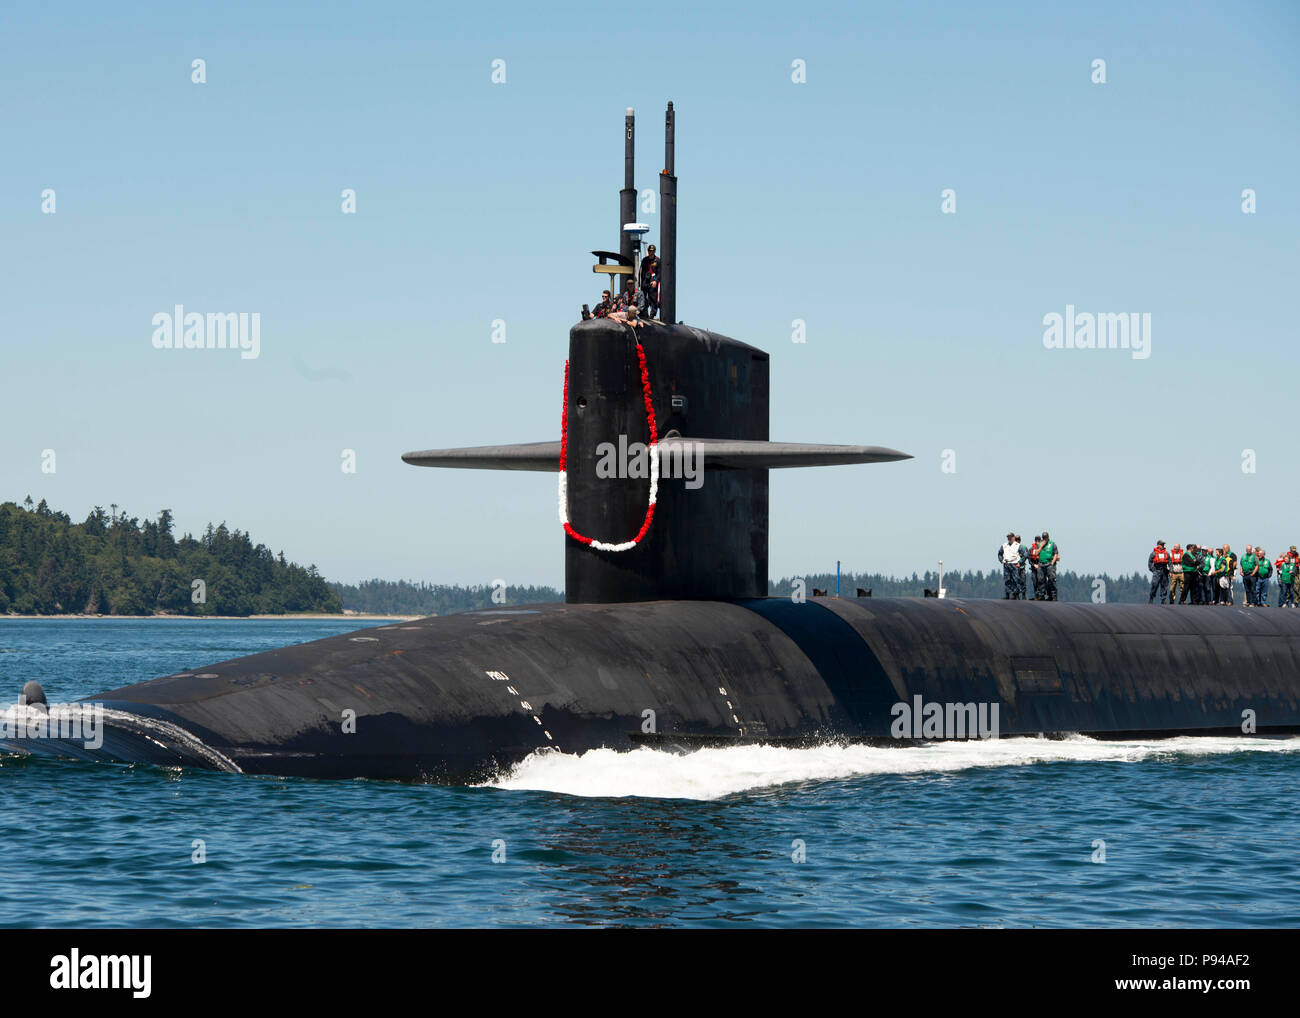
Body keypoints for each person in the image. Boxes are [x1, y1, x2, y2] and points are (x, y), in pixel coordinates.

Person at [1037, 531, 1060, 601]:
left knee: (1051, 580)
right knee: (1041, 580)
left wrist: (1052, 563)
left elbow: (1056, 554)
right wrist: (1041, 546)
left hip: (1049, 564)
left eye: (1046, 537)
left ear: (1048, 537)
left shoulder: (1052, 544)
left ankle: (1054, 595)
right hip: (1041, 564)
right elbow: (1036, 553)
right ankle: (1042, 595)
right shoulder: (1039, 544)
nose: (1044, 539)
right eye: (1043, 538)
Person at [998, 533, 1020, 599]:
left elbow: (1024, 554)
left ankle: (1015, 595)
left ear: (1013, 537)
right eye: (1008, 537)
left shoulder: (1018, 545)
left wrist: (1020, 562)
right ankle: (1007, 594)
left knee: (1015, 579)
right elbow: (999, 554)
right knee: (1007, 579)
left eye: (1010, 537)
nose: (1009, 539)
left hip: (1014, 564)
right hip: (1006, 564)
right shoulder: (1004, 545)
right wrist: (1001, 560)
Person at [1148, 540, 1170, 604]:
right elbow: (1150, 562)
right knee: (1155, 585)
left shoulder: (1166, 553)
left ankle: (1163, 599)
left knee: (1164, 586)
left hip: (1164, 571)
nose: (1162, 546)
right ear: (1158, 545)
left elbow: (1170, 563)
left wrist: (1170, 570)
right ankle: (1151, 597)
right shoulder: (1153, 553)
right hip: (1157, 571)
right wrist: (1153, 569)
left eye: (1163, 545)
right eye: (1161, 544)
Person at [1028, 535, 1043, 600]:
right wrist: (1034, 565)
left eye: (1038, 541)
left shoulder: (1043, 549)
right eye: (1036, 541)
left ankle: (1041, 595)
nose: (1037, 542)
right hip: (1034, 568)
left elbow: (1044, 558)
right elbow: (1029, 559)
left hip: (1041, 568)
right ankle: (1036, 595)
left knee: (1041, 581)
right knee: (1034, 581)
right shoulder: (1031, 549)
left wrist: (1039, 565)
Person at [1014, 535, 1029, 600]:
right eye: (1016, 540)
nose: (1017, 541)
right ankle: (1016, 595)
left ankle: (1023, 595)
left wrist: (1020, 562)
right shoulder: (1012, 548)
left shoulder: (1024, 547)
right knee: (1015, 581)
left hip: (1022, 567)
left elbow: (1026, 556)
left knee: (1023, 581)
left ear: (1020, 540)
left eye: (1018, 540)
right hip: (1014, 567)